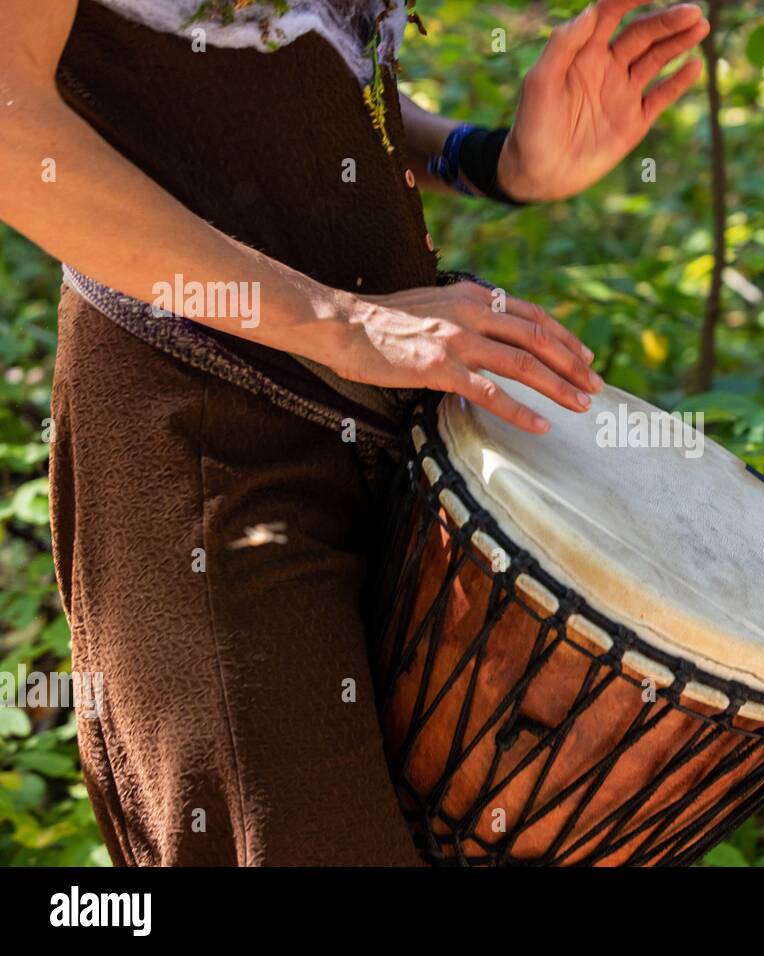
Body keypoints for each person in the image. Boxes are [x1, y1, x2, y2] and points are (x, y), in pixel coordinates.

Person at [0, 0, 709, 865]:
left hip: (398, 434)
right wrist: (338, 321)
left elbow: (292, 69)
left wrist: (488, 159)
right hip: (203, 440)